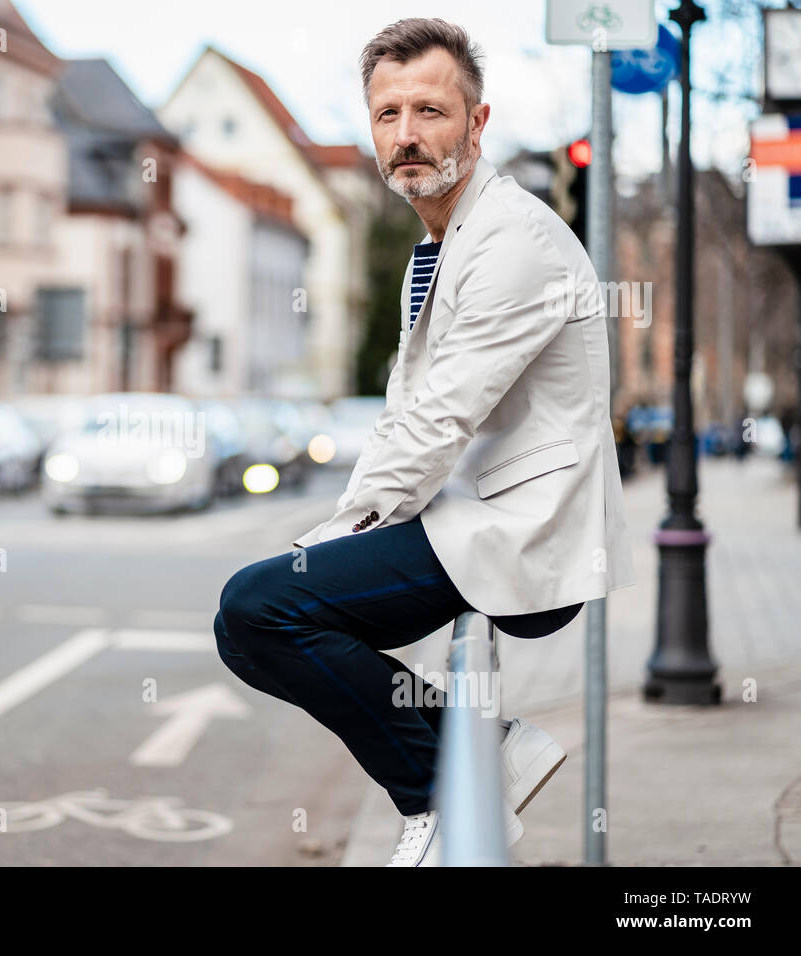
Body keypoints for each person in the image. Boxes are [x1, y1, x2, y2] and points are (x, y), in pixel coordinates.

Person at [213, 17, 636, 866]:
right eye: (387, 114)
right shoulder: (446, 241)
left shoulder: (510, 241)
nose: (406, 136)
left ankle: (440, 783)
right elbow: (411, 417)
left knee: (262, 609)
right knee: (251, 615)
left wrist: (341, 531)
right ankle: (469, 756)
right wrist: (341, 531)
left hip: (521, 527)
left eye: (430, 112)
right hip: (471, 512)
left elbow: (437, 421)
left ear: (477, 124)